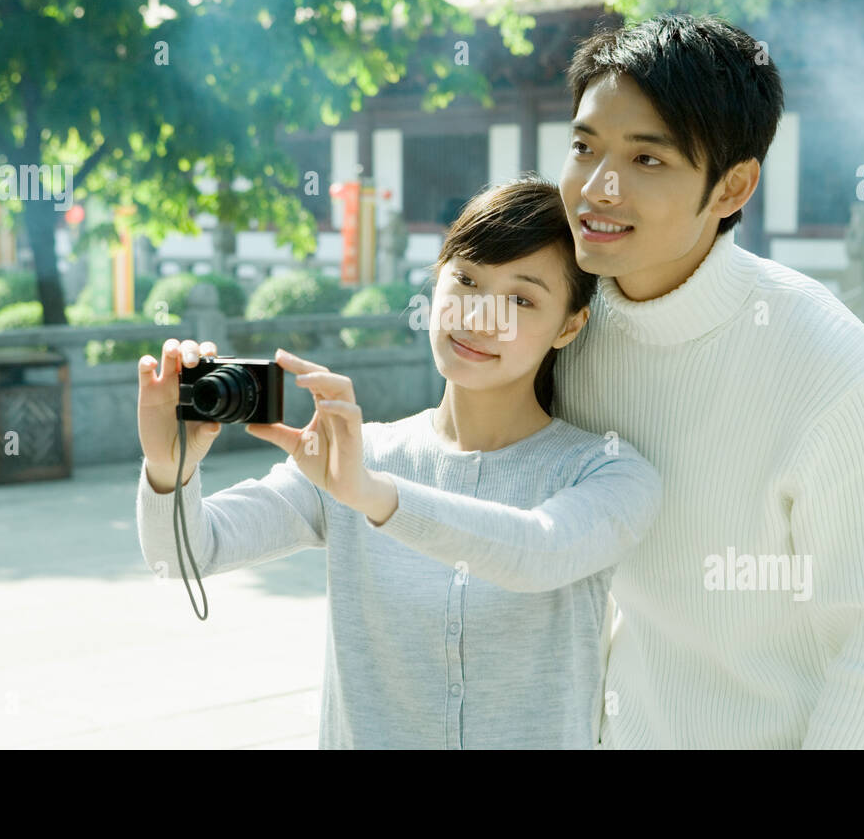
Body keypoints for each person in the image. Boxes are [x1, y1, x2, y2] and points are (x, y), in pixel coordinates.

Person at [364, 13, 864, 748]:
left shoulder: (825, 362)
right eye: (583, 147)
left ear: (733, 187)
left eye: (648, 160)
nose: (598, 188)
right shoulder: (567, 319)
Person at [135, 176, 663, 749]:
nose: (481, 316)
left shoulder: (608, 472)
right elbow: (184, 556)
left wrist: (372, 494)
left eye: (521, 298)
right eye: (465, 279)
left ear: (569, 324)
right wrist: (170, 469)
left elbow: (537, 550)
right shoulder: (357, 458)